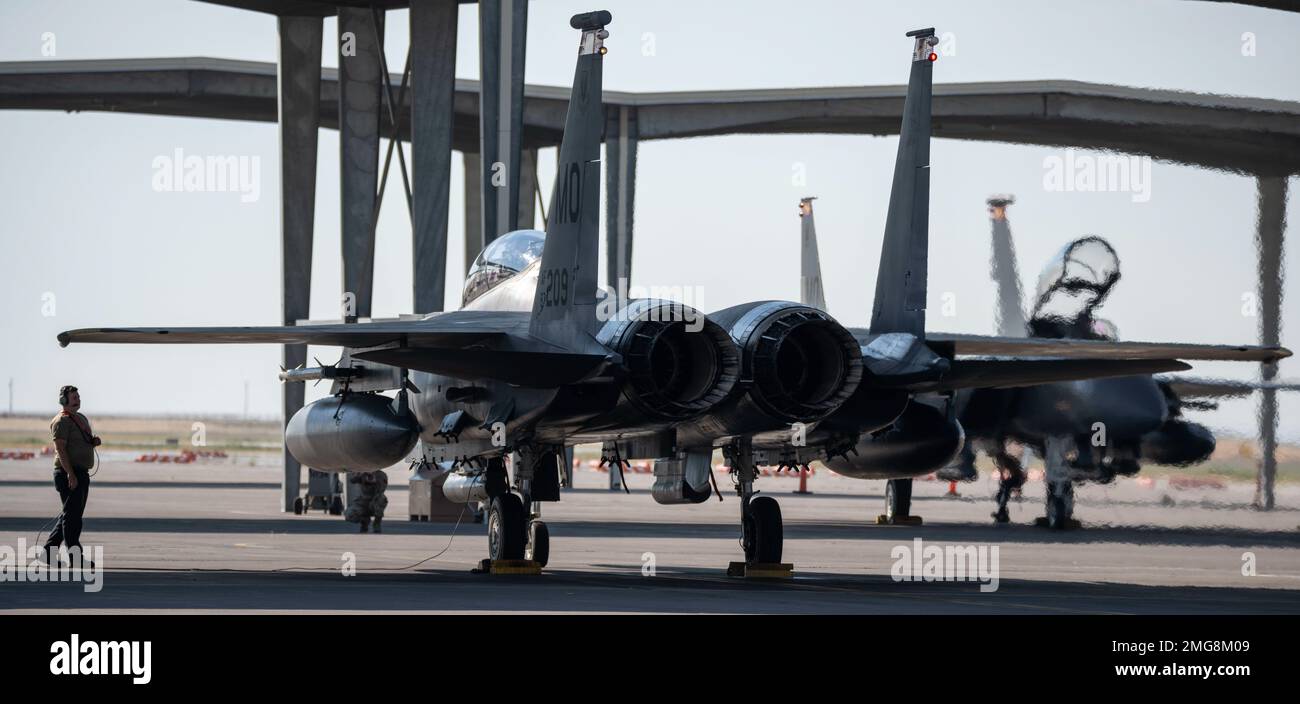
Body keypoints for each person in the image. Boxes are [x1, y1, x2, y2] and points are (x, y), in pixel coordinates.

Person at [45, 385, 100, 564]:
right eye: (73, 397)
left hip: (81, 473)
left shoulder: (80, 418)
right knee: (73, 519)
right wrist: (70, 474)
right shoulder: (61, 421)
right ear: (64, 400)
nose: (77, 399)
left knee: (70, 515)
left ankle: (48, 552)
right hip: (68, 474)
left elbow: (79, 442)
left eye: (78, 396)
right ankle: (75, 557)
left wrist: (93, 442)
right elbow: (60, 449)